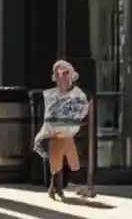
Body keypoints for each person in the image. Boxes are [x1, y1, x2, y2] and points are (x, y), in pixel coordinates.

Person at [34, 59, 90, 200]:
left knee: (61, 147)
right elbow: (49, 116)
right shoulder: (51, 95)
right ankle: (56, 185)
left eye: (65, 73)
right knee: (57, 147)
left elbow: (81, 112)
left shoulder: (78, 95)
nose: (61, 77)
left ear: (72, 76)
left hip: (71, 132)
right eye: (58, 74)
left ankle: (56, 185)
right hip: (54, 132)